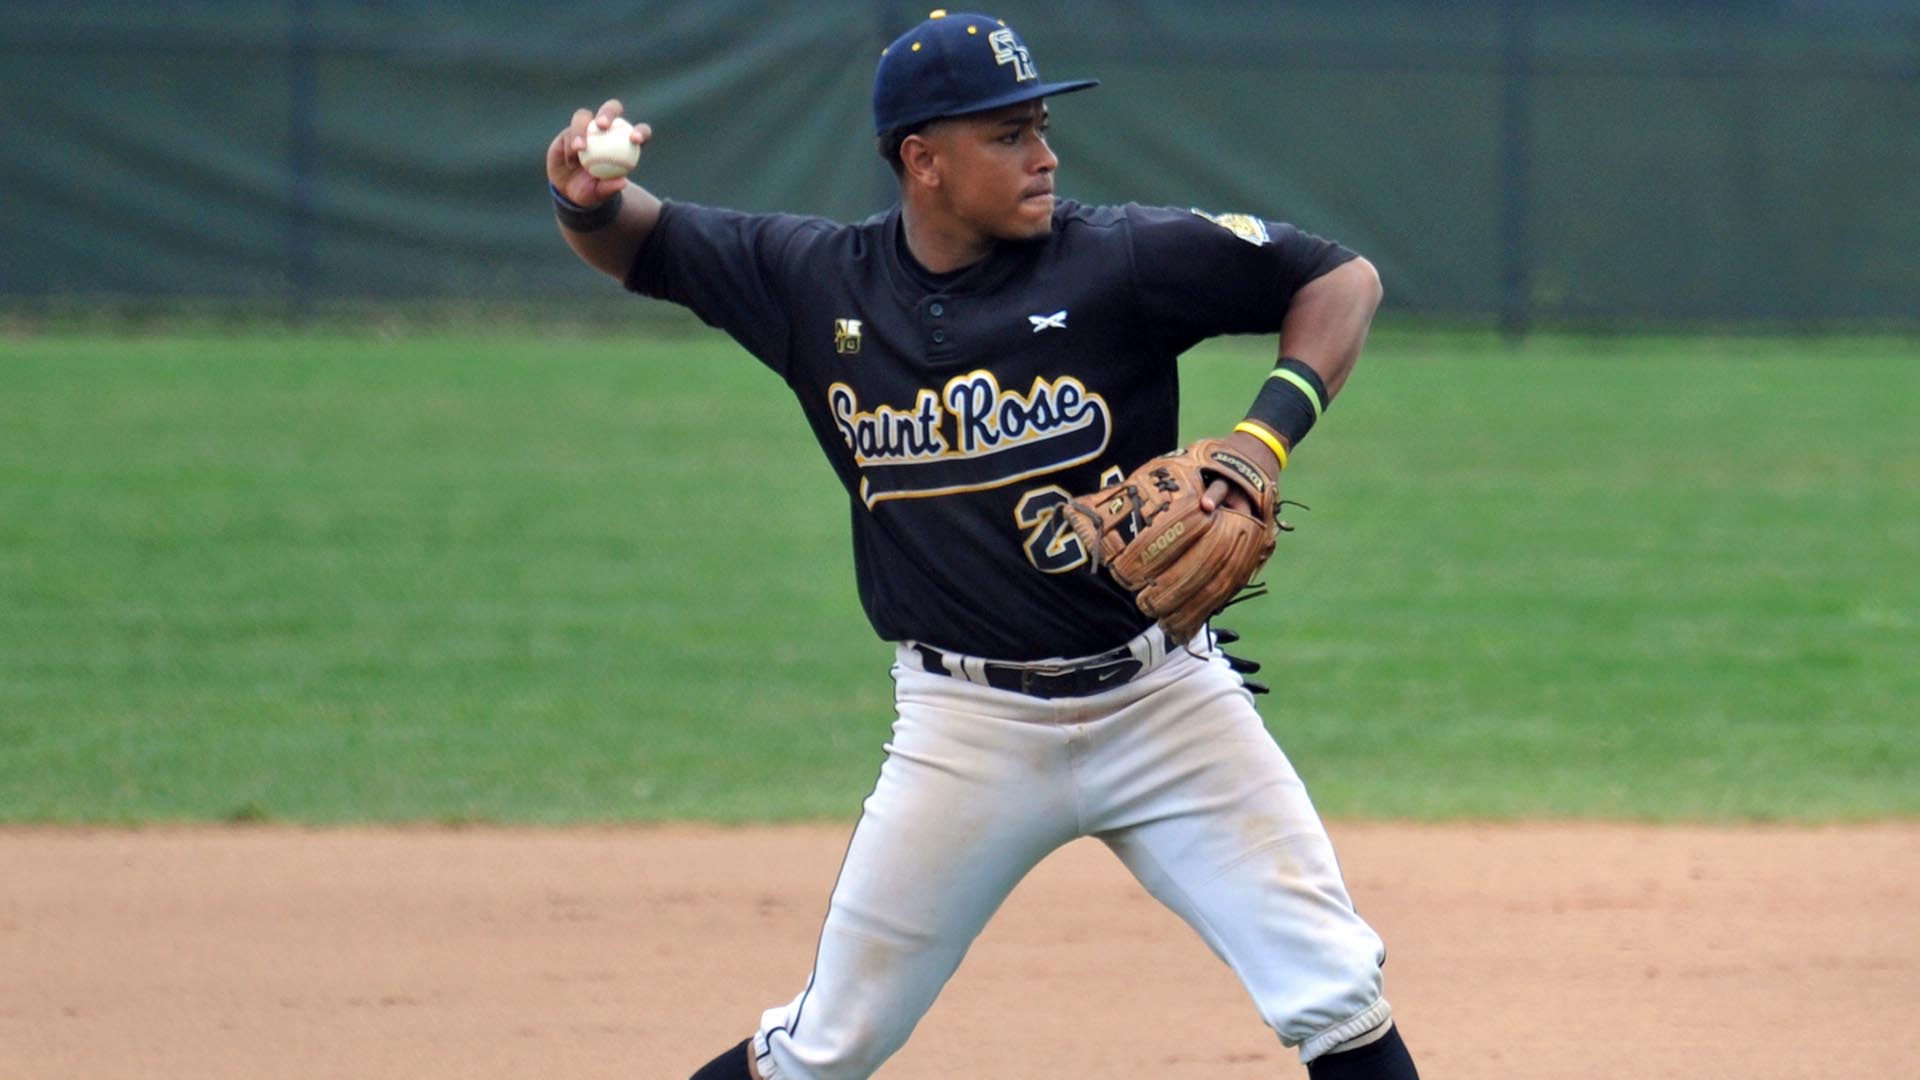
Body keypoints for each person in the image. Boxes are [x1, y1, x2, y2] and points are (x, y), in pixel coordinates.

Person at [546, 10, 1416, 1080]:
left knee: (1335, 989)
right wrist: (584, 200)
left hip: (1164, 706)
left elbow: (1341, 279)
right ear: (923, 162)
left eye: (1041, 125)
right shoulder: (818, 284)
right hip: (966, 728)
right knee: (829, 1045)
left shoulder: (1123, 256)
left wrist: (1260, 439)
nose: (1044, 155)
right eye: (1007, 136)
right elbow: (644, 240)